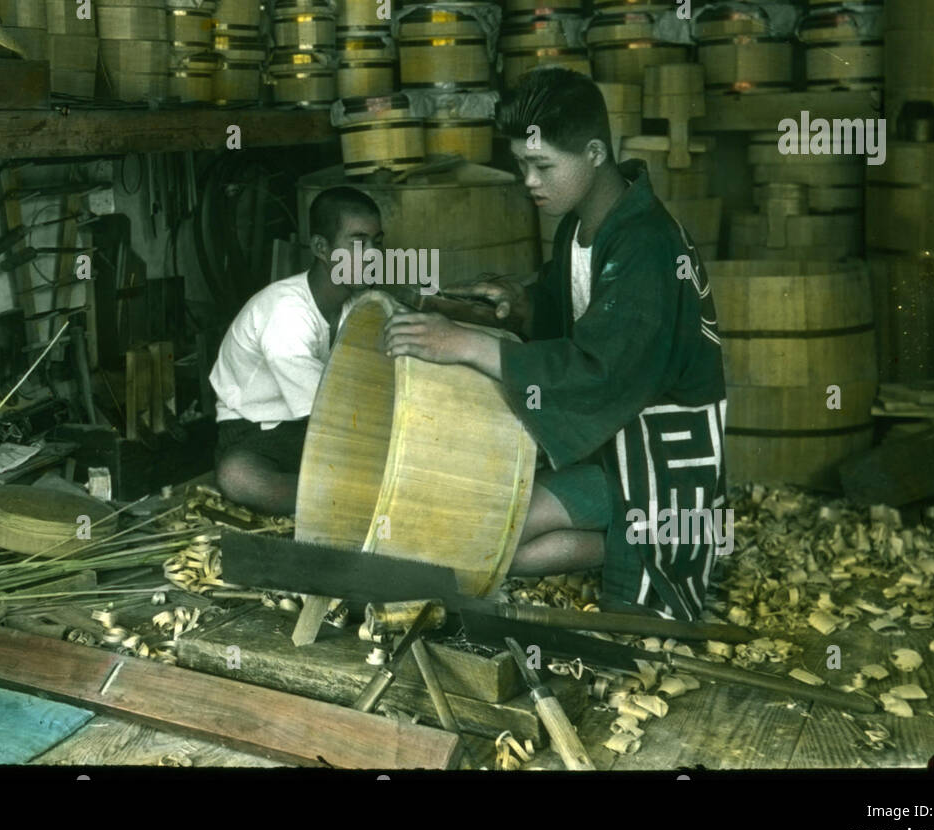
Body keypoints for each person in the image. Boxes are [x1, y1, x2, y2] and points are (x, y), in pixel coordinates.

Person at [383, 68, 728, 622]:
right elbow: (576, 313)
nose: (529, 180)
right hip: (611, 437)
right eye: (522, 164)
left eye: (543, 165)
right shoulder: (580, 225)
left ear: (594, 152)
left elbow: (601, 366)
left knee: (499, 531)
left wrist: (470, 345)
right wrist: (523, 304)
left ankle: (658, 545)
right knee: (496, 539)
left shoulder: (646, 244)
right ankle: (634, 543)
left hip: (656, 457)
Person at [210, 186, 384, 515]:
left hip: (312, 423)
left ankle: (339, 492)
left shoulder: (356, 304)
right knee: (238, 475)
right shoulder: (285, 313)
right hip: (258, 431)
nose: (373, 255)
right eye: (359, 243)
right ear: (321, 247)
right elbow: (332, 413)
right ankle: (347, 501)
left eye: (378, 242)